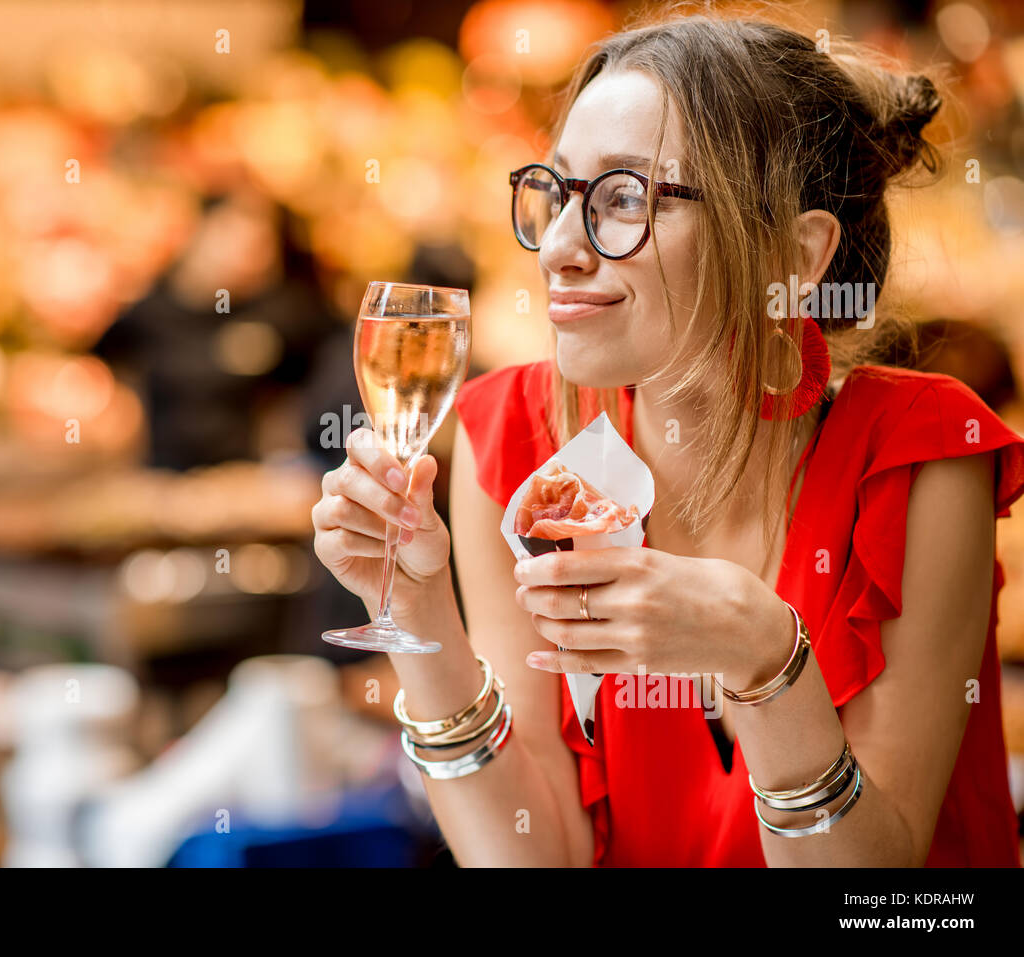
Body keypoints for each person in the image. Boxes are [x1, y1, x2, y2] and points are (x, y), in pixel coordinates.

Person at [310, 13, 1024, 866]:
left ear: (795, 254)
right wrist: (417, 608)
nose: (562, 249)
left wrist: (767, 661)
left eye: (625, 199)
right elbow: (534, 857)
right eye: (559, 191)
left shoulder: (920, 453)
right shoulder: (516, 436)